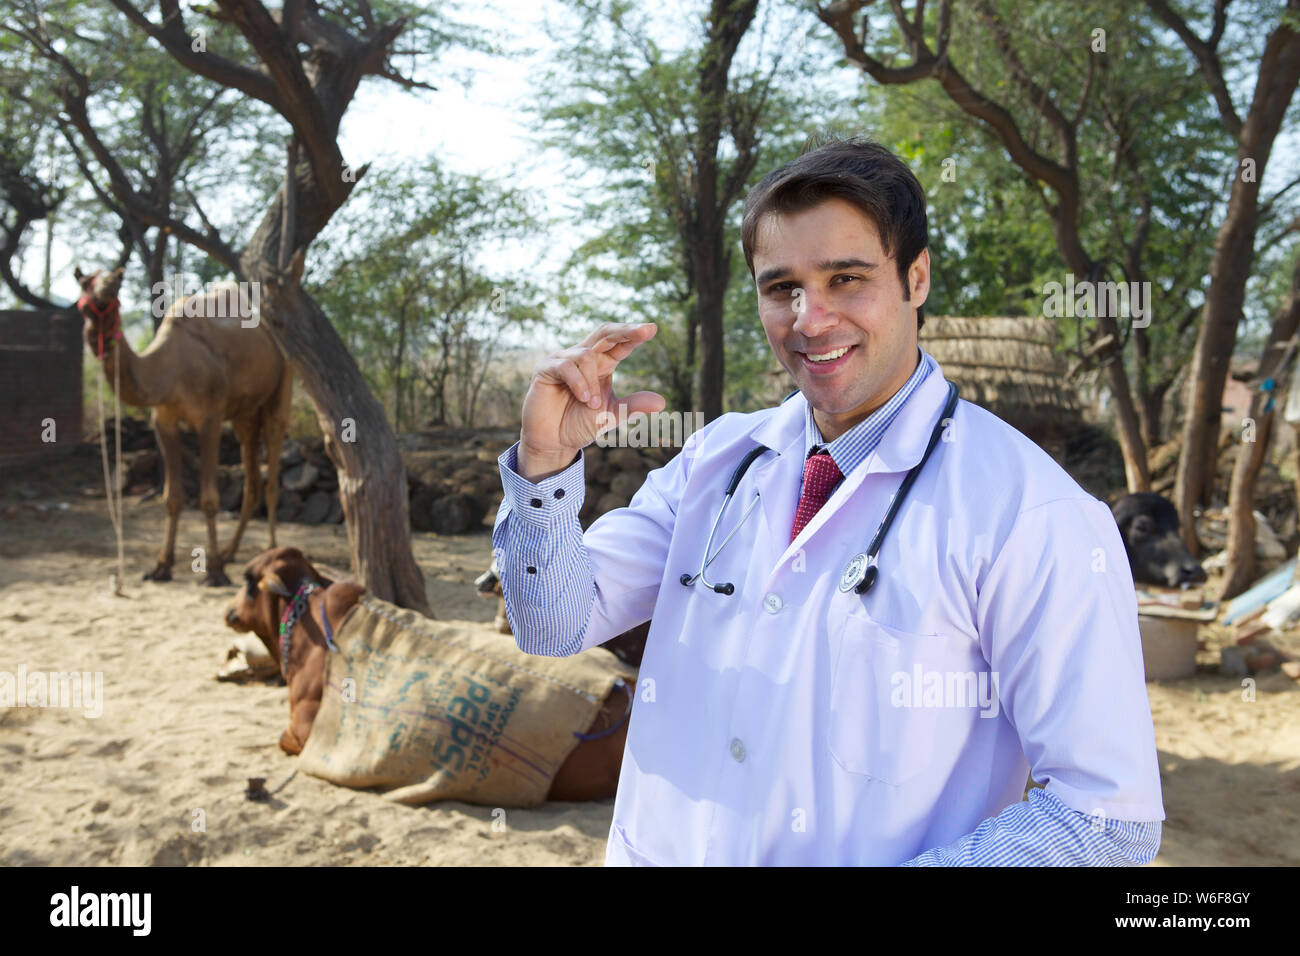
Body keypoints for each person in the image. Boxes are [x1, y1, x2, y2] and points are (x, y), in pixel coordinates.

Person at [492, 135, 1164, 866]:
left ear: (917, 277)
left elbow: (1106, 822)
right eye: (782, 288)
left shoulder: (1033, 513)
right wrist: (545, 470)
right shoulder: (714, 462)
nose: (809, 319)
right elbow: (552, 625)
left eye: (847, 278)